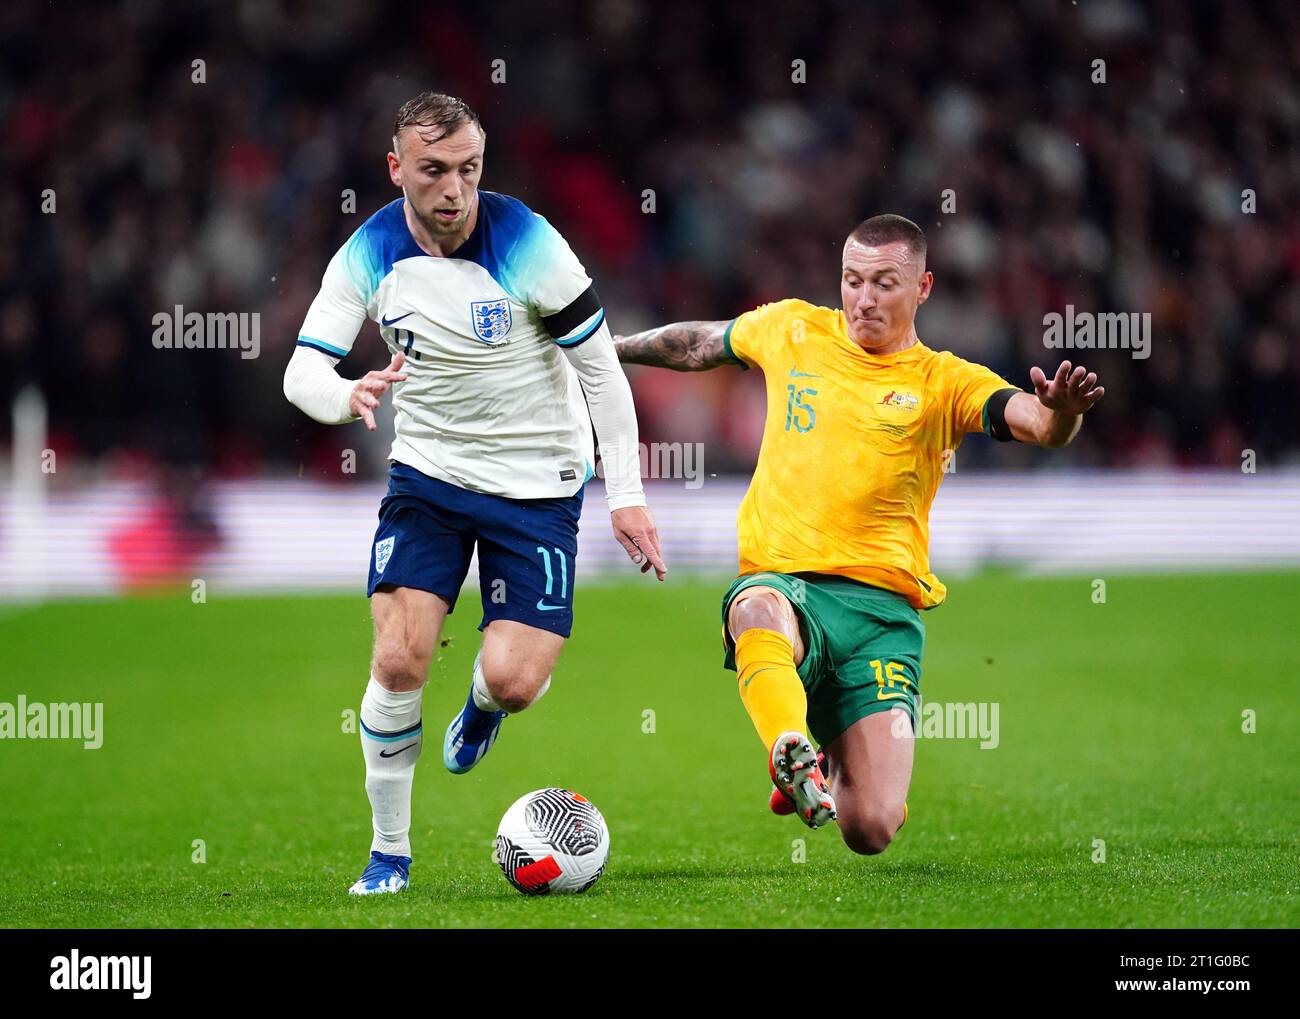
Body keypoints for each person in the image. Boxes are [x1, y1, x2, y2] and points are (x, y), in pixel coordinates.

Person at [614, 214, 1102, 853]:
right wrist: (604, 348)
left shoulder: (943, 380)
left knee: (870, 828)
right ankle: (789, 742)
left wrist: (1062, 412)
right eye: (852, 281)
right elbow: (699, 343)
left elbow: (1037, 422)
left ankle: (822, 763)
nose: (863, 298)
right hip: (786, 584)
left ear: (922, 287)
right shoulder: (793, 328)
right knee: (755, 607)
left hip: (881, 616)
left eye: (884, 284)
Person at [283, 92, 666, 894]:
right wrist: (343, 391)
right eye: (433, 171)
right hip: (429, 475)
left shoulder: (530, 242)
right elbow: (301, 370)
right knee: (397, 658)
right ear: (397, 170)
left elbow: (601, 370)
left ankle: (484, 706)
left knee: (518, 680)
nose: (454, 189)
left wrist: (626, 493)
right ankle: (390, 852)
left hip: (539, 485)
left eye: (468, 169)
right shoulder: (368, 252)